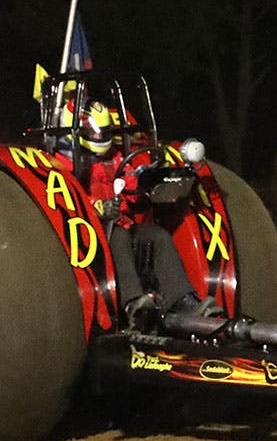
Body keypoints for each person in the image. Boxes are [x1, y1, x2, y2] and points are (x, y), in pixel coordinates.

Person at [66, 100, 223, 330]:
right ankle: (133, 305)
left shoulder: (115, 158)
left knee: (157, 235)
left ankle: (183, 301)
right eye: (95, 132)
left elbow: (131, 184)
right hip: (86, 235)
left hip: (121, 225)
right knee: (119, 235)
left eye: (104, 132)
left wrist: (151, 186)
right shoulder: (66, 162)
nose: (100, 138)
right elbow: (66, 197)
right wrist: (97, 208)